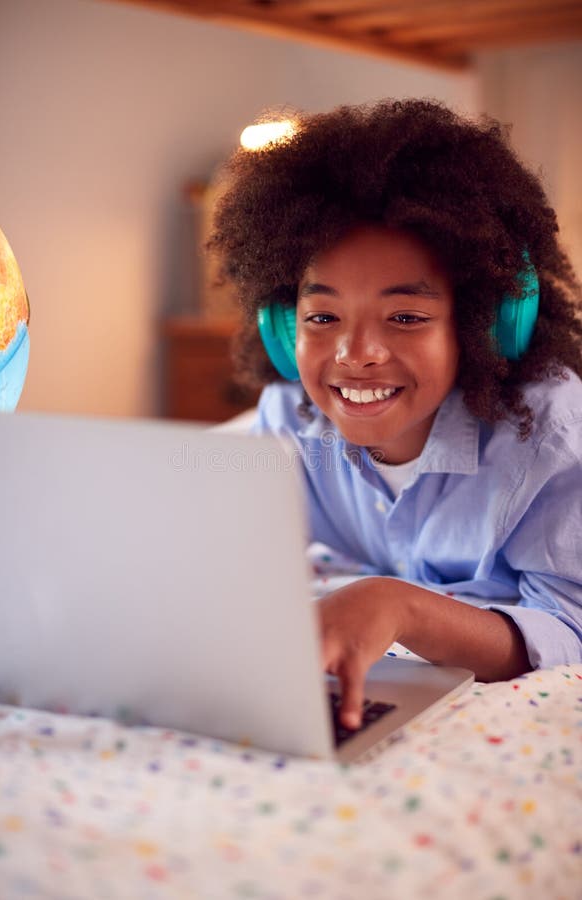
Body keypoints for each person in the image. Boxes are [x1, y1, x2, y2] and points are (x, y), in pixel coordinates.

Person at [208, 99, 582, 729]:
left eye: (406, 317)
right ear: (281, 327)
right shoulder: (290, 422)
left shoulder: (551, 441)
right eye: (322, 318)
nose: (356, 356)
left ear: (481, 326)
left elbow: (570, 628)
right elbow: (235, 558)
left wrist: (399, 607)